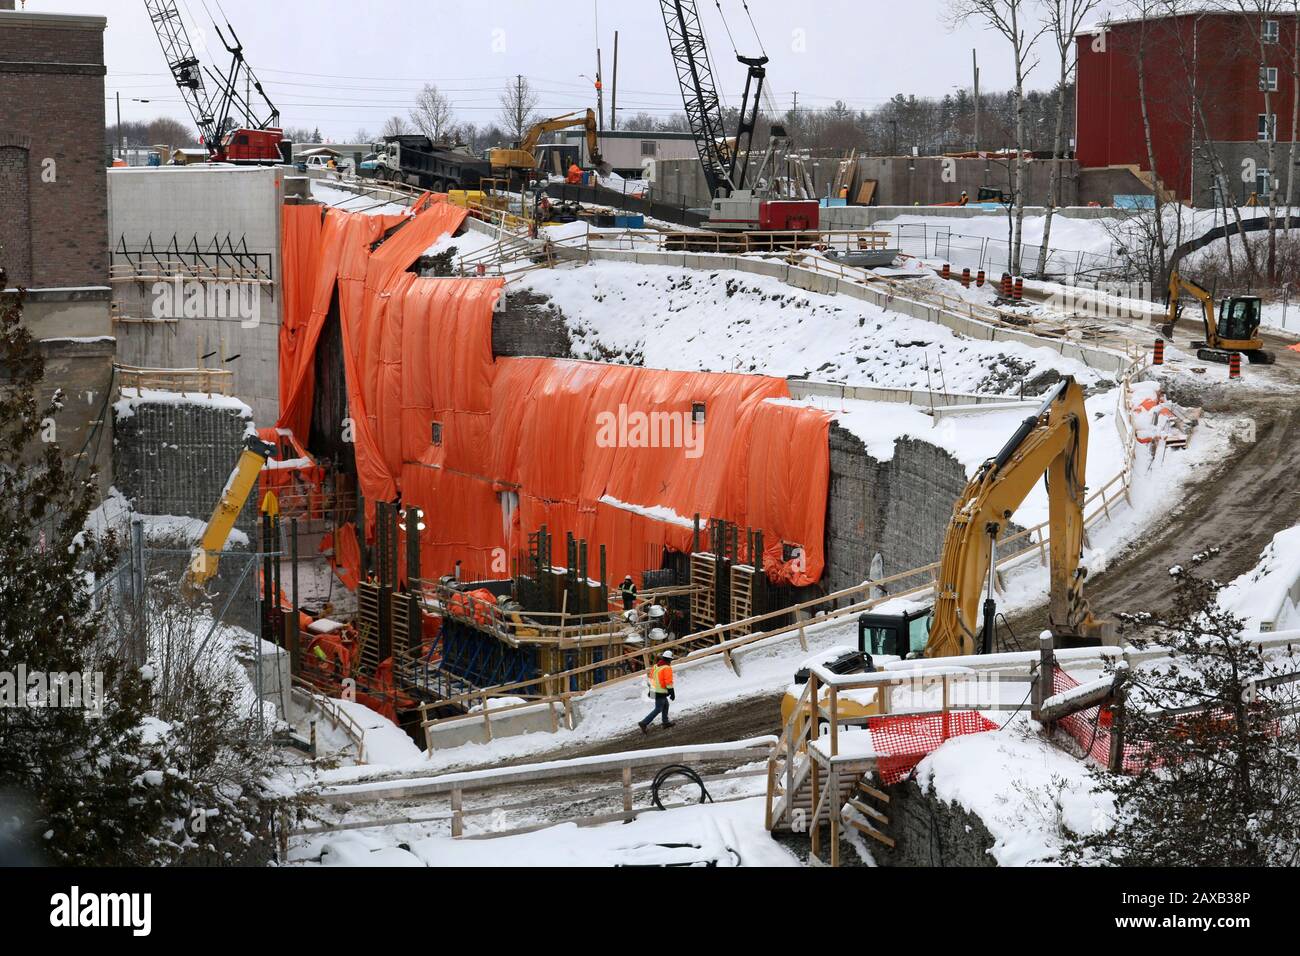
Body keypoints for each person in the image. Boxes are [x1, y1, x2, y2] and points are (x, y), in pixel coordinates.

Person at [638, 650, 675, 732]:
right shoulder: (667, 668)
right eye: (671, 660)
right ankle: (644, 722)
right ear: (669, 659)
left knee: (665, 705)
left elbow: (651, 678)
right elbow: (668, 682)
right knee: (658, 709)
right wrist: (672, 692)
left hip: (655, 690)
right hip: (661, 691)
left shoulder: (655, 666)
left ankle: (665, 722)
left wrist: (651, 690)